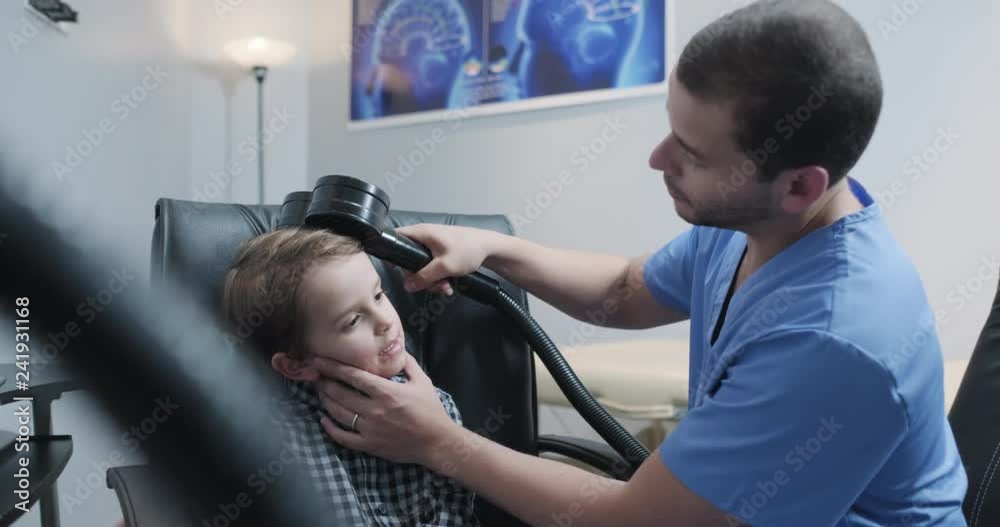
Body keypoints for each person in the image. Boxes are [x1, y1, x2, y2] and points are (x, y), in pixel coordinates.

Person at [311, 1, 969, 526]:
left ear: (799, 184)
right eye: (669, 129)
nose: (657, 160)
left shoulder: (835, 337)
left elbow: (637, 518)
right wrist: (495, 251)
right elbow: (626, 290)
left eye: (692, 153)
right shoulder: (754, 224)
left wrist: (437, 441)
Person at [221, 227, 480, 526]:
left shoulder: (436, 408)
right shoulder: (269, 444)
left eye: (379, 295)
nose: (385, 321)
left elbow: (458, 516)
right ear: (295, 365)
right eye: (353, 320)